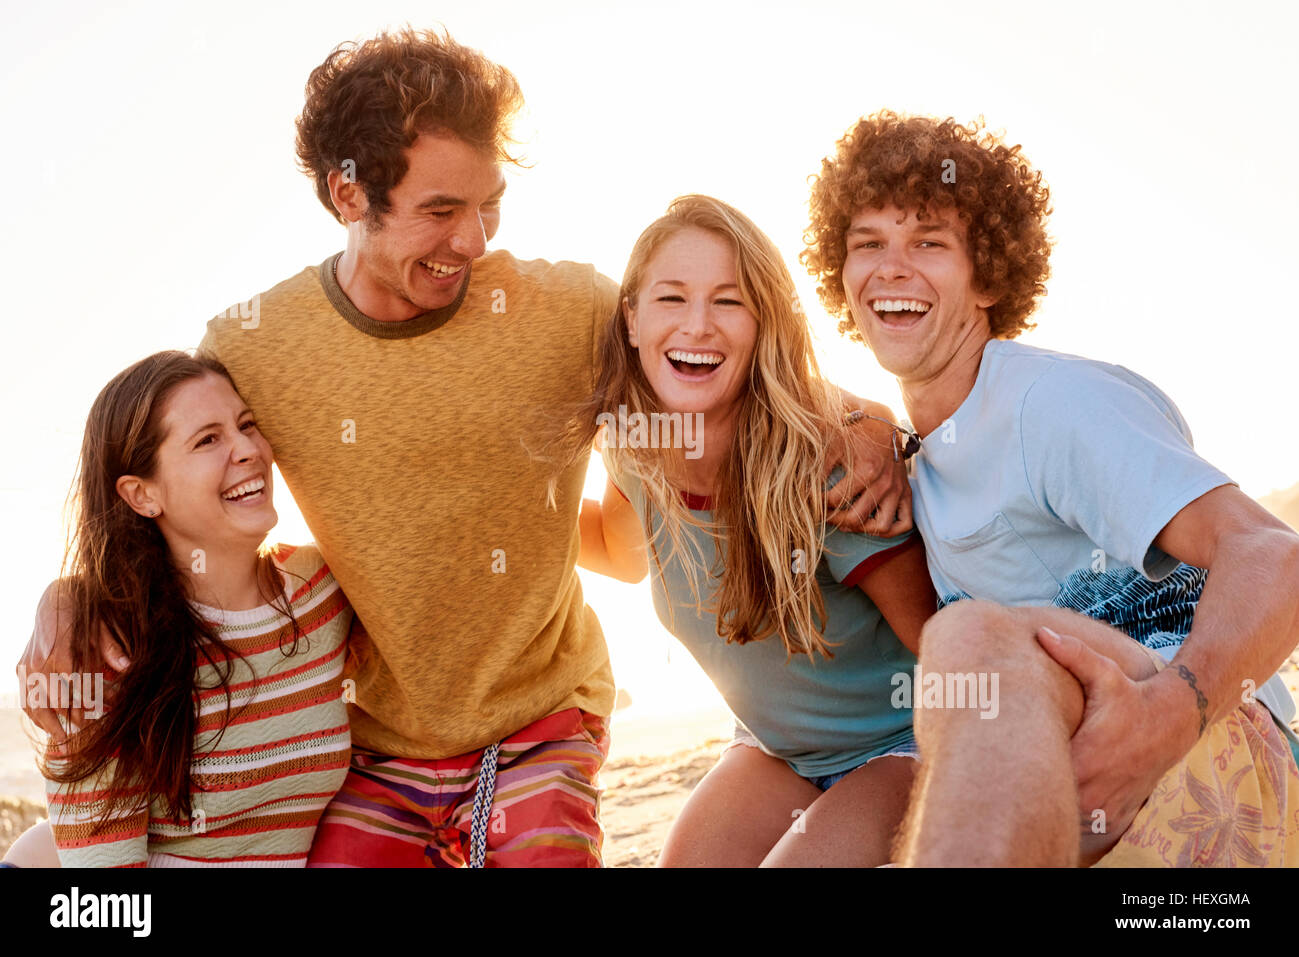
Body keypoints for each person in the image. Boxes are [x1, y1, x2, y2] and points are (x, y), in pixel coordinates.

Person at [17, 29, 910, 868]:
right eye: (441, 210)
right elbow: (168, 469)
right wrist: (70, 595)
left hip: (545, 715)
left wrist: (861, 418)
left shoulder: (569, 310)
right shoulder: (252, 345)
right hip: (387, 740)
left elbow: (712, 350)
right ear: (348, 194)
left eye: (489, 206)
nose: (475, 241)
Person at [802, 109, 1299, 866]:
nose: (892, 267)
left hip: (1215, 759)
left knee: (970, 641)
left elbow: (1272, 552)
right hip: (1071, 769)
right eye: (868, 244)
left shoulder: (1049, 402)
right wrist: (866, 423)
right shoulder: (919, 453)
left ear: (988, 277)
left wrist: (1171, 711)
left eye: (929, 242)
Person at [565, 195, 937, 866]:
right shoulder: (634, 450)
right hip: (776, 749)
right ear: (631, 319)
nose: (698, 325)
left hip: (901, 740)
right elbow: (621, 556)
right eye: (671, 298)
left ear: (763, 322)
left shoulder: (833, 465)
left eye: (729, 302)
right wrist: (501, 512)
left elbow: (941, 645)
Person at [9, 351, 351, 867]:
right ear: (142, 494)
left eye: (247, 424)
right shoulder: (101, 654)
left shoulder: (325, 590)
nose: (247, 450)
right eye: (207, 440)